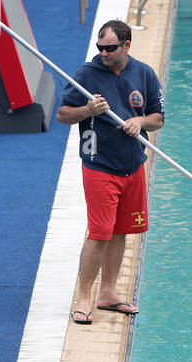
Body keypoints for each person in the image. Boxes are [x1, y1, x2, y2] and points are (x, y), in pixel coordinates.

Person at [58, 19, 164, 325]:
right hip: (100, 166)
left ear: (126, 46)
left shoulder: (144, 74)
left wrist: (140, 123)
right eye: (100, 48)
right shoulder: (86, 75)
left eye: (110, 48)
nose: (103, 53)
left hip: (133, 166)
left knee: (121, 231)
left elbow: (158, 117)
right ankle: (83, 296)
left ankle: (108, 292)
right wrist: (88, 111)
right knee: (99, 233)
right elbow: (64, 114)